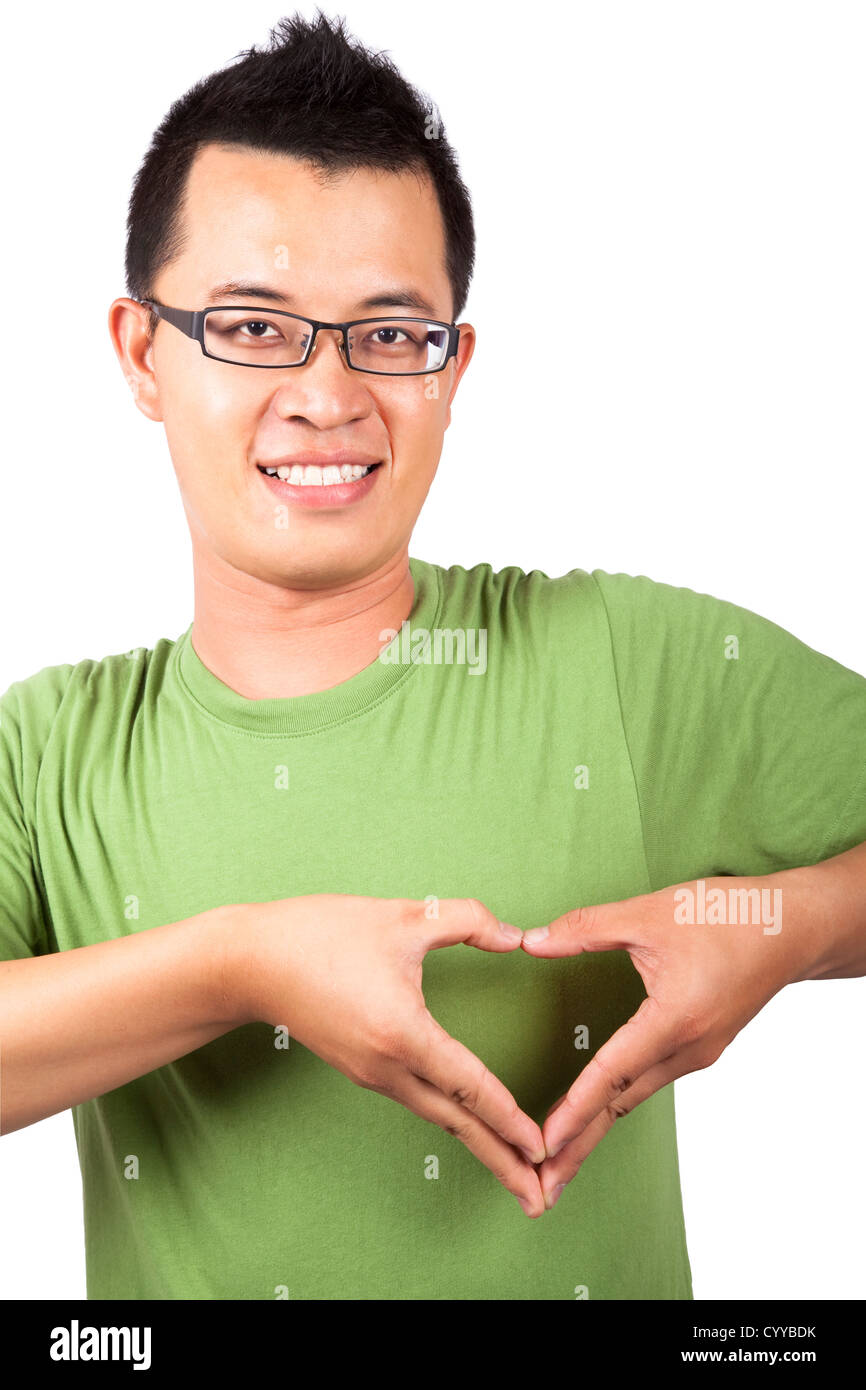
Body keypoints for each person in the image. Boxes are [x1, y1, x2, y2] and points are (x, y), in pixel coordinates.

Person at [1, 9, 864, 1301]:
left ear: (453, 368)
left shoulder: (621, 664)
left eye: (390, 334)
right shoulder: (47, 752)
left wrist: (785, 925)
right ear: (142, 353)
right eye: (251, 325)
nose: (327, 393)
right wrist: (239, 963)